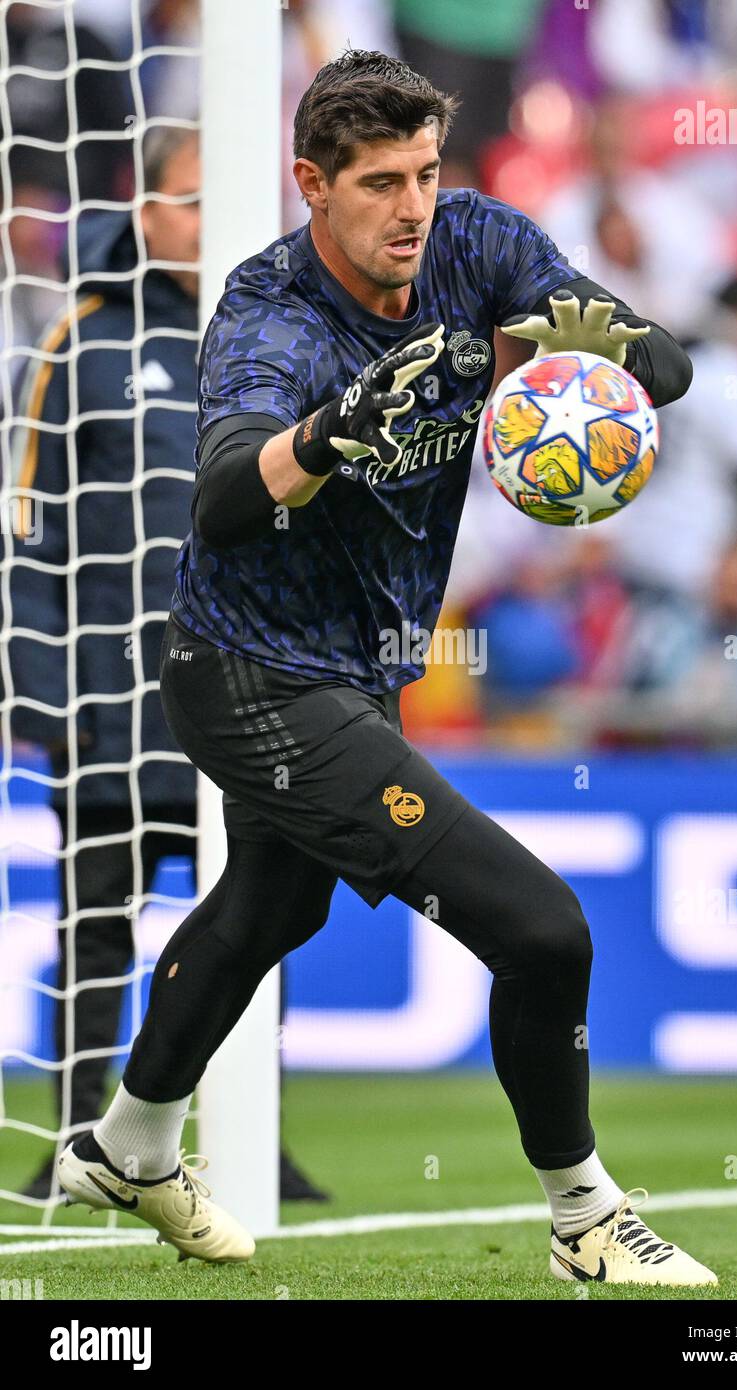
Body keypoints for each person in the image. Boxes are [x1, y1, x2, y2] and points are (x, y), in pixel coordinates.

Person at [57, 49, 714, 1287]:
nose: (412, 206)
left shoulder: (476, 244)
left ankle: (131, 1142)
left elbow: (666, 372)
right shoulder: (267, 315)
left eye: (424, 171)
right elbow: (222, 499)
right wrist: (330, 434)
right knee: (543, 929)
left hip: (356, 667)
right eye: (379, 183)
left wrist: (608, 341)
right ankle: (584, 1215)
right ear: (312, 183)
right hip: (249, 673)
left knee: (272, 906)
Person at [10, 127, 325, 1204]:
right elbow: (28, 523)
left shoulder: (279, 345)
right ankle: (71, 1140)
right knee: (97, 926)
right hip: (111, 693)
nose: (208, 220)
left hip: (251, 690)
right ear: (147, 214)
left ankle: (254, 1135)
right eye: (189, 200)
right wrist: (45, 696)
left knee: (264, 912)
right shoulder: (85, 339)